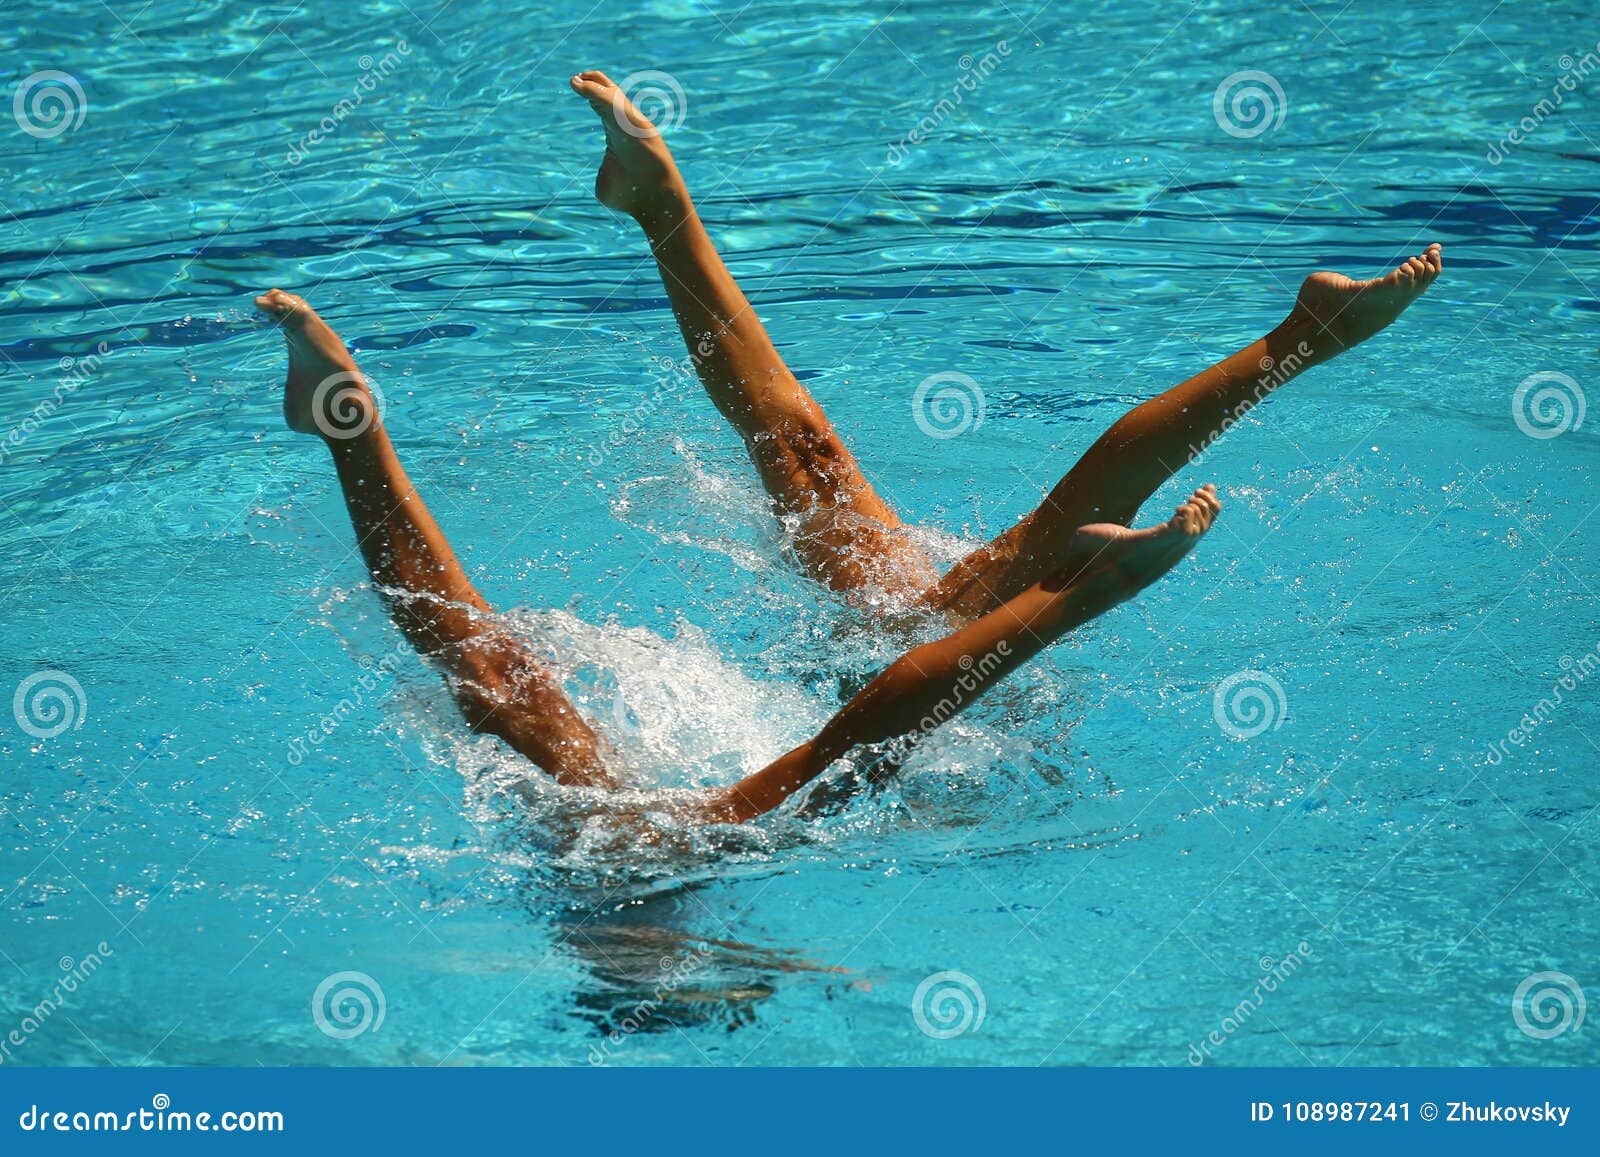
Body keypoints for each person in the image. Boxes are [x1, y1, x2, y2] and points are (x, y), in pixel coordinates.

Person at [255, 70, 1443, 825]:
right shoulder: (685, 886)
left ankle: (638, 219)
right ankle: (1255, 387)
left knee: (787, 523)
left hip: (686, 833)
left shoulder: (630, 876)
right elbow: (849, 740)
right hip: (760, 811)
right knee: (831, 692)